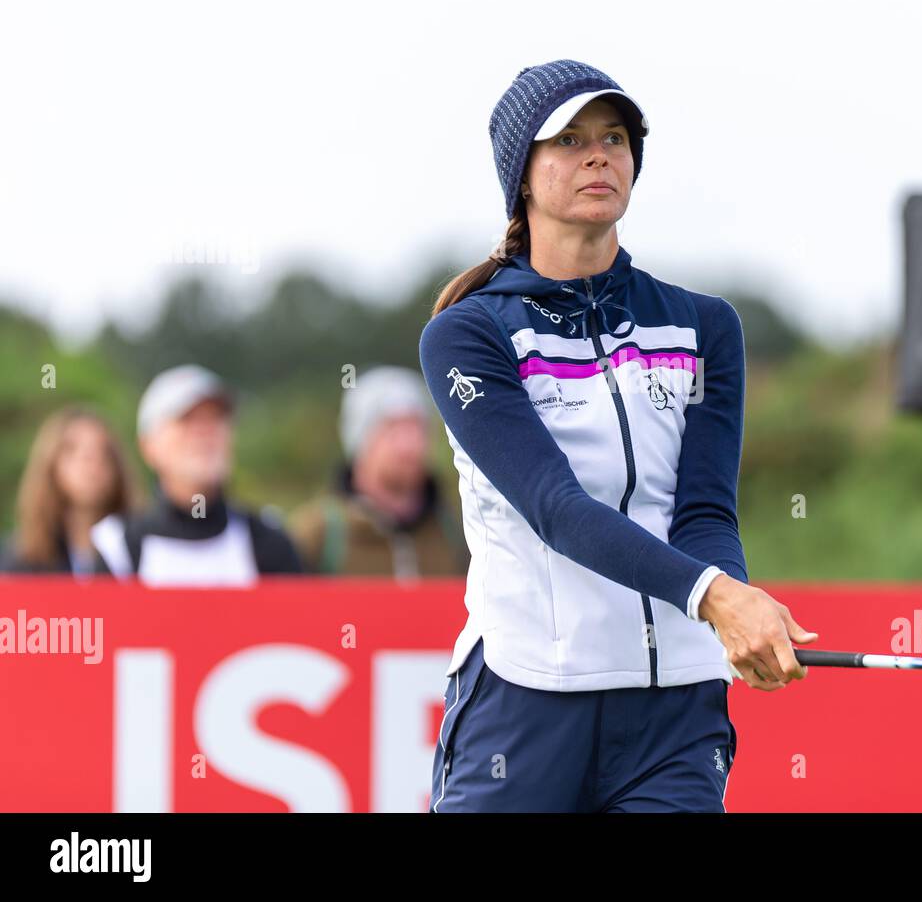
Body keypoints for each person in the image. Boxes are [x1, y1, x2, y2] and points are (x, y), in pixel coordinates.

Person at [418, 59, 818, 813]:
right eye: (568, 140)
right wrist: (719, 599)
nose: (599, 154)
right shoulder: (468, 334)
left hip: (674, 715)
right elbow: (556, 507)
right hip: (526, 695)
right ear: (524, 177)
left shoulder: (704, 324)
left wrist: (726, 612)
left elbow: (702, 512)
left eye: (615, 137)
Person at [89, 364, 303, 585]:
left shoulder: (268, 540)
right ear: (148, 446)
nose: (205, 432)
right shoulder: (118, 547)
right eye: (187, 420)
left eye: (216, 419)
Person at [289, 365, 470, 579]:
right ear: (359, 441)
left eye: (418, 428)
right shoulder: (316, 536)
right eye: (391, 429)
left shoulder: (462, 532)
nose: (408, 445)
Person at [0, 406, 138, 576]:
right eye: (72, 450)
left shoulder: (138, 553)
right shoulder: (20, 560)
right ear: (50, 465)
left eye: (103, 452)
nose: (91, 463)